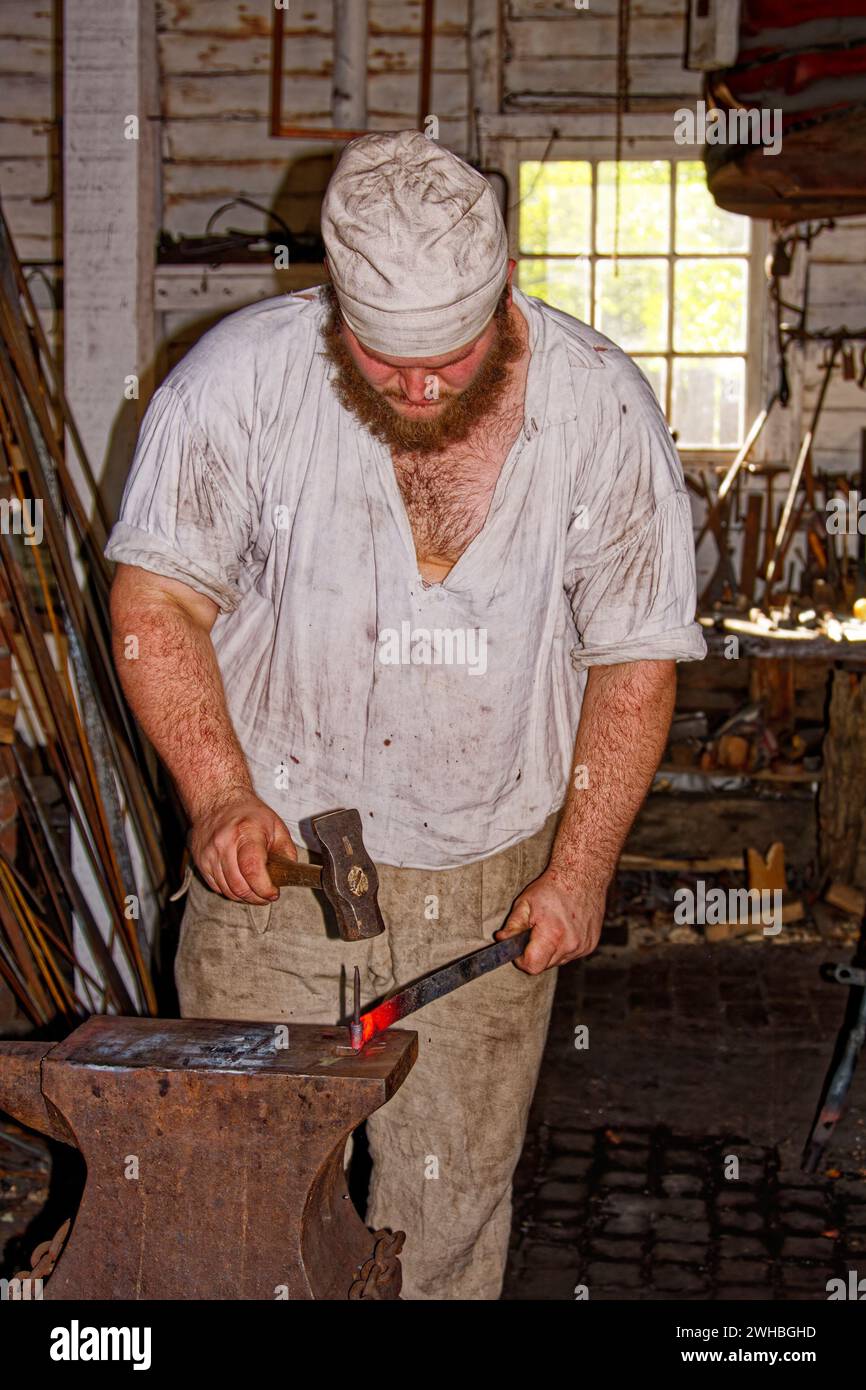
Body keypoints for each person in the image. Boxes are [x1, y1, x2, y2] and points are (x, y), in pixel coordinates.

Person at [107, 129, 705, 1300]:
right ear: (335, 310)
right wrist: (218, 789)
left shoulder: (600, 413)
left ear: (503, 299)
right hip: (269, 876)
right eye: (387, 367)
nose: (423, 389)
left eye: (451, 357)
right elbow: (156, 601)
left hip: (484, 881)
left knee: (444, 1214)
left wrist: (579, 867)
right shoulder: (234, 387)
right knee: (241, 1209)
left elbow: (633, 661)